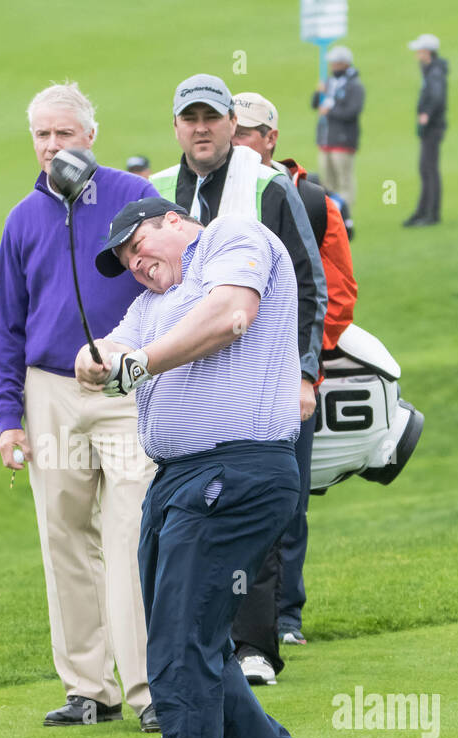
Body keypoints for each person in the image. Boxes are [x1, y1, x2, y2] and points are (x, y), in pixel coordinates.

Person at [75, 198, 338, 738]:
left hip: (235, 470)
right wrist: (96, 358)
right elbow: (114, 345)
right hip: (180, 481)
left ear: (170, 221)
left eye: (139, 247)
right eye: (127, 264)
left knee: (176, 648)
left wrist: (139, 365)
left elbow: (231, 317)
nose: (138, 266)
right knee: (195, 644)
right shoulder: (154, 301)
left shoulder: (231, 239)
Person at [0, 82, 161, 732]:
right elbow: (7, 326)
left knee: (128, 536)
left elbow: (174, 270)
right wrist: (9, 418)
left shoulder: (133, 200)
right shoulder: (22, 220)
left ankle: (148, 690)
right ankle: (89, 688)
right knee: (63, 538)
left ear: (91, 134)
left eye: (64, 133)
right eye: (42, 135)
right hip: (49, 391)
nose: (53, 146)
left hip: (121, 389)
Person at [150, 75, 328, 682]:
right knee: (190, 513)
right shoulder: (155, 193)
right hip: (184, 382)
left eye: (212, 117)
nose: (201, 128)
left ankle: (255, 645)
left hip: (263, 378)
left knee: (258, 502)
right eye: (189, 118)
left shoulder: (267, 186)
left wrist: (306, 374)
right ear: (175, 127)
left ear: (232, 124)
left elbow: (309, 283)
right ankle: (201, 642)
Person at [231, 92, 358, 660]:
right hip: (226, 381)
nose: (239, 143)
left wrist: (306, 363)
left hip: (287, 378)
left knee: (288, 499)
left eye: (249, 133)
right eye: (232, 132)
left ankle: (285, 614)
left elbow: (335, 293)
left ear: (271, 138)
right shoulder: (207, 196)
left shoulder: (310, 200)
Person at [310, 45, 365, 211]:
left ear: (345, 64)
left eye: (336, 63)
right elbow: (314, 104)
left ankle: (345, 215)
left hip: (343, 140)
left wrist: (330, 111)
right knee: (327, 182)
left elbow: (352, 111)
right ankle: (331, 213)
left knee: (344, 181)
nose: (332, 66)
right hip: (326, 139)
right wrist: (317, 92)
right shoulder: (329, 83)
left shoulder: (355, 86)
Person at [404, 33, 448, 228]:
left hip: (433, 127)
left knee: (429, 169)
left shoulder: (435, 72)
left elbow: (437, 97)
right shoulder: (430, 70)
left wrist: (426, 115)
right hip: (431, 127)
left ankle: (431, 214)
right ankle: (423, 211)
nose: (416, 55)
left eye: (419, 51)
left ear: (427, 52)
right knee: (426, 168)